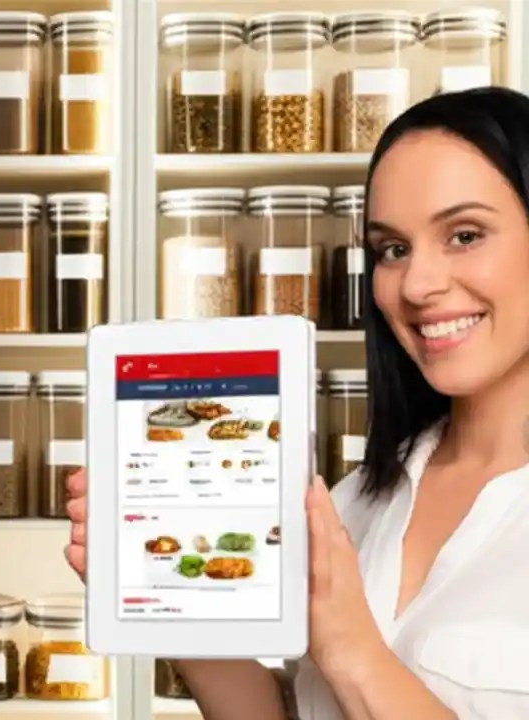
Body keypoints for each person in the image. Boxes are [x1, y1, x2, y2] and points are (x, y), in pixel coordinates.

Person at [65, 86, 529, 719]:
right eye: (392, 250)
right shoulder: (358, 499)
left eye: (465, 235)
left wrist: (352, 650)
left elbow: (350, 659)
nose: (417, 285)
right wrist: (173, 596)